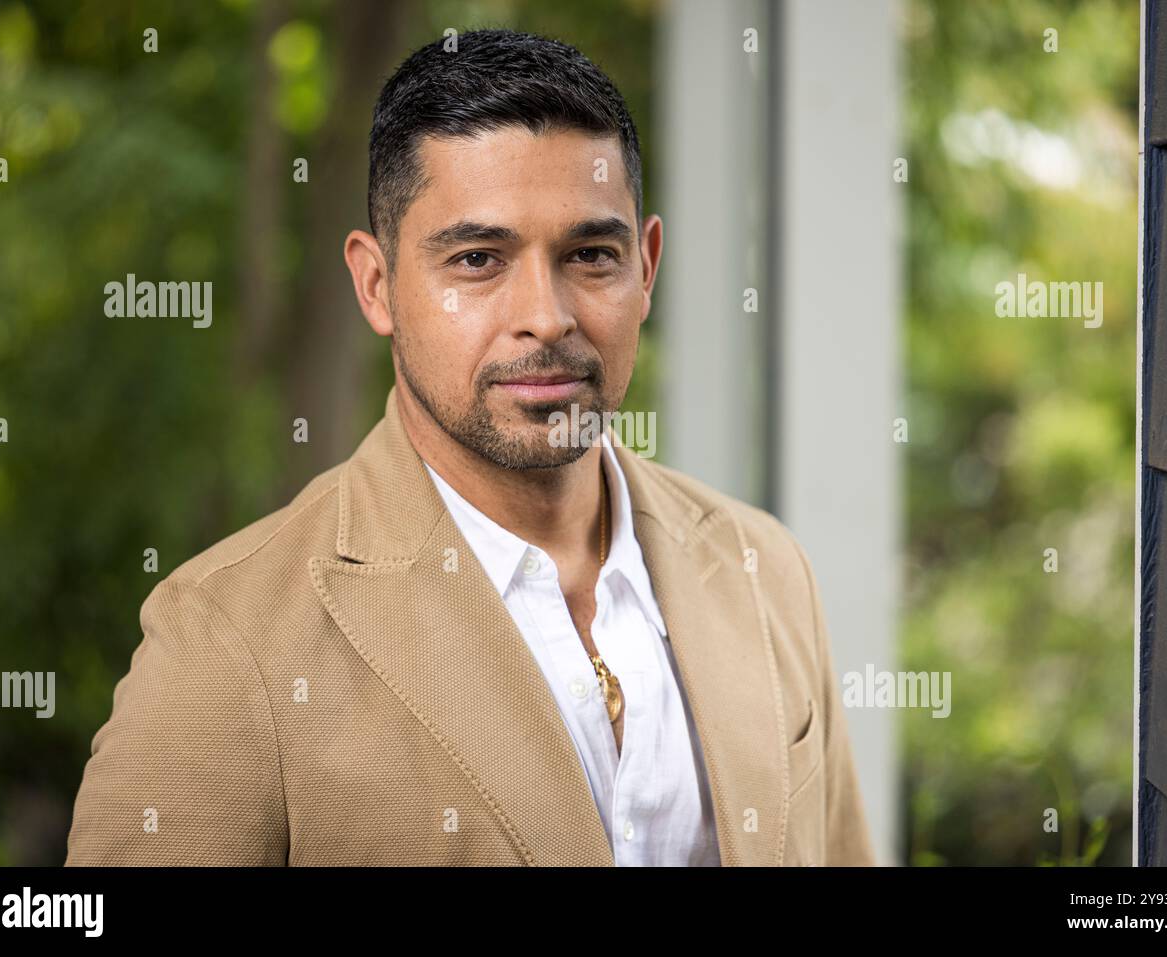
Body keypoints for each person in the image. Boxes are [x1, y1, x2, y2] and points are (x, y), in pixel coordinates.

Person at [65, 27, 874, 867]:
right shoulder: (225, 642)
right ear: (377, 286)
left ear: (647, 266)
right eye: (479, 259)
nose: (547, 314)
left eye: (591, 254)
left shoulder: (763, 567)